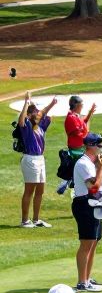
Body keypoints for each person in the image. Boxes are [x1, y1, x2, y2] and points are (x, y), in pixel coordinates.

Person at [72, 134, 102, 293]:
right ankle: (82, 283)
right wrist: (101, 167)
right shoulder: (83, 164)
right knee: (87, 243)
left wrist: (99, 166)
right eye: (99, 145)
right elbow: (93, 187)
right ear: (91, 146)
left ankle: (87, 277)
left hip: (95, 204)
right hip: (85, 204)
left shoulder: (92, 162)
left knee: (93, 242)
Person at [17, 92, 58, 228]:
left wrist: (52, 104)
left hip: (40, 160)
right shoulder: (26, 126)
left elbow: (44, 113)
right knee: (29, 191)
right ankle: (24, 221)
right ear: (29, 115)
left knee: (40, 190)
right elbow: (21, 120)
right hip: (30, 159)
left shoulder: (40, 126)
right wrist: (26, 102)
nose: (38, 113)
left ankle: (36, 219)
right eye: (35, 112)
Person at [57, 97, 96, 196]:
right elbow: (80, 134)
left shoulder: (75, 116)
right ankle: (68, 181)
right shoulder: (71, 118)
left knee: (82, 171)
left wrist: (90, 112)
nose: (82, 106)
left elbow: (84, 124)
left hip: (80, 149)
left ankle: (70, 182)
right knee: (83, 171)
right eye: (82, 104)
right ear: (77, 105)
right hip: (76, 150)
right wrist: (89, 138)